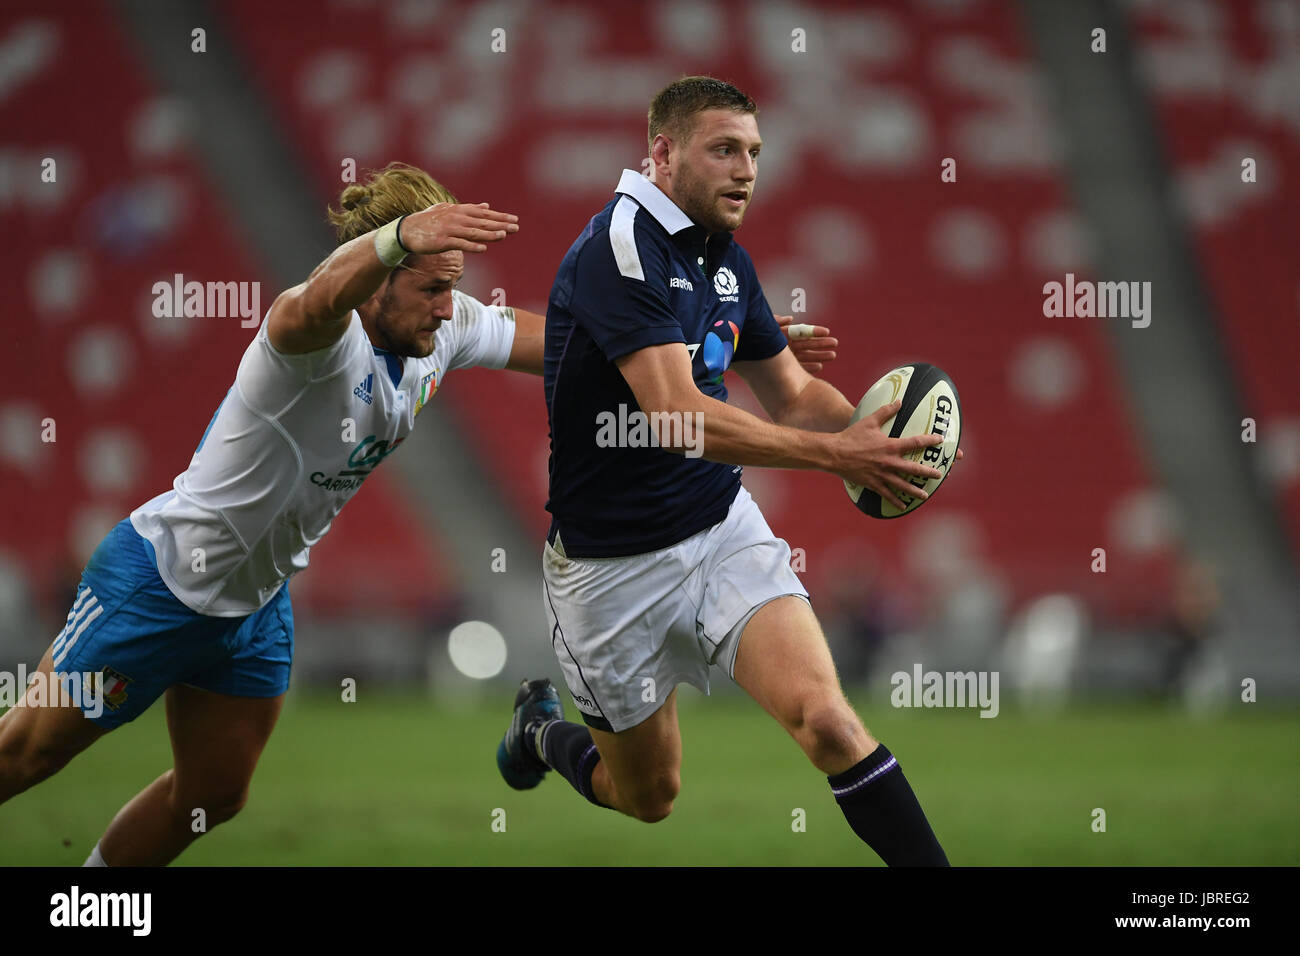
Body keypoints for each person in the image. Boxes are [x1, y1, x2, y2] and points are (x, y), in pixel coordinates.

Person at [0, 163, 527, 866]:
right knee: (25, 754)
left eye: (450, 288)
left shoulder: (438, 330)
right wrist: (398, 236)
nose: (445, 307)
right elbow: (315, 300)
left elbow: (546, 343)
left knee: (212, 796)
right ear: (378, 281)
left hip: (254, 605)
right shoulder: (314, 340)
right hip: (157, 585)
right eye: (431, 287)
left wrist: (651, 361)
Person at [498, 77, 954, 866]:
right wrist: (837, 457)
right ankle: (539, 731)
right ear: (663, 152)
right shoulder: (620, 247)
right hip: (607, 574)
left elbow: (795, 395)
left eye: (753, 152)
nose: (745, 169)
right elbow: (678, 415)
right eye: (723, 150)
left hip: (718, 532)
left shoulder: (724, 257)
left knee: (831, 724)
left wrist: (876, 437)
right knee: (648, 797)